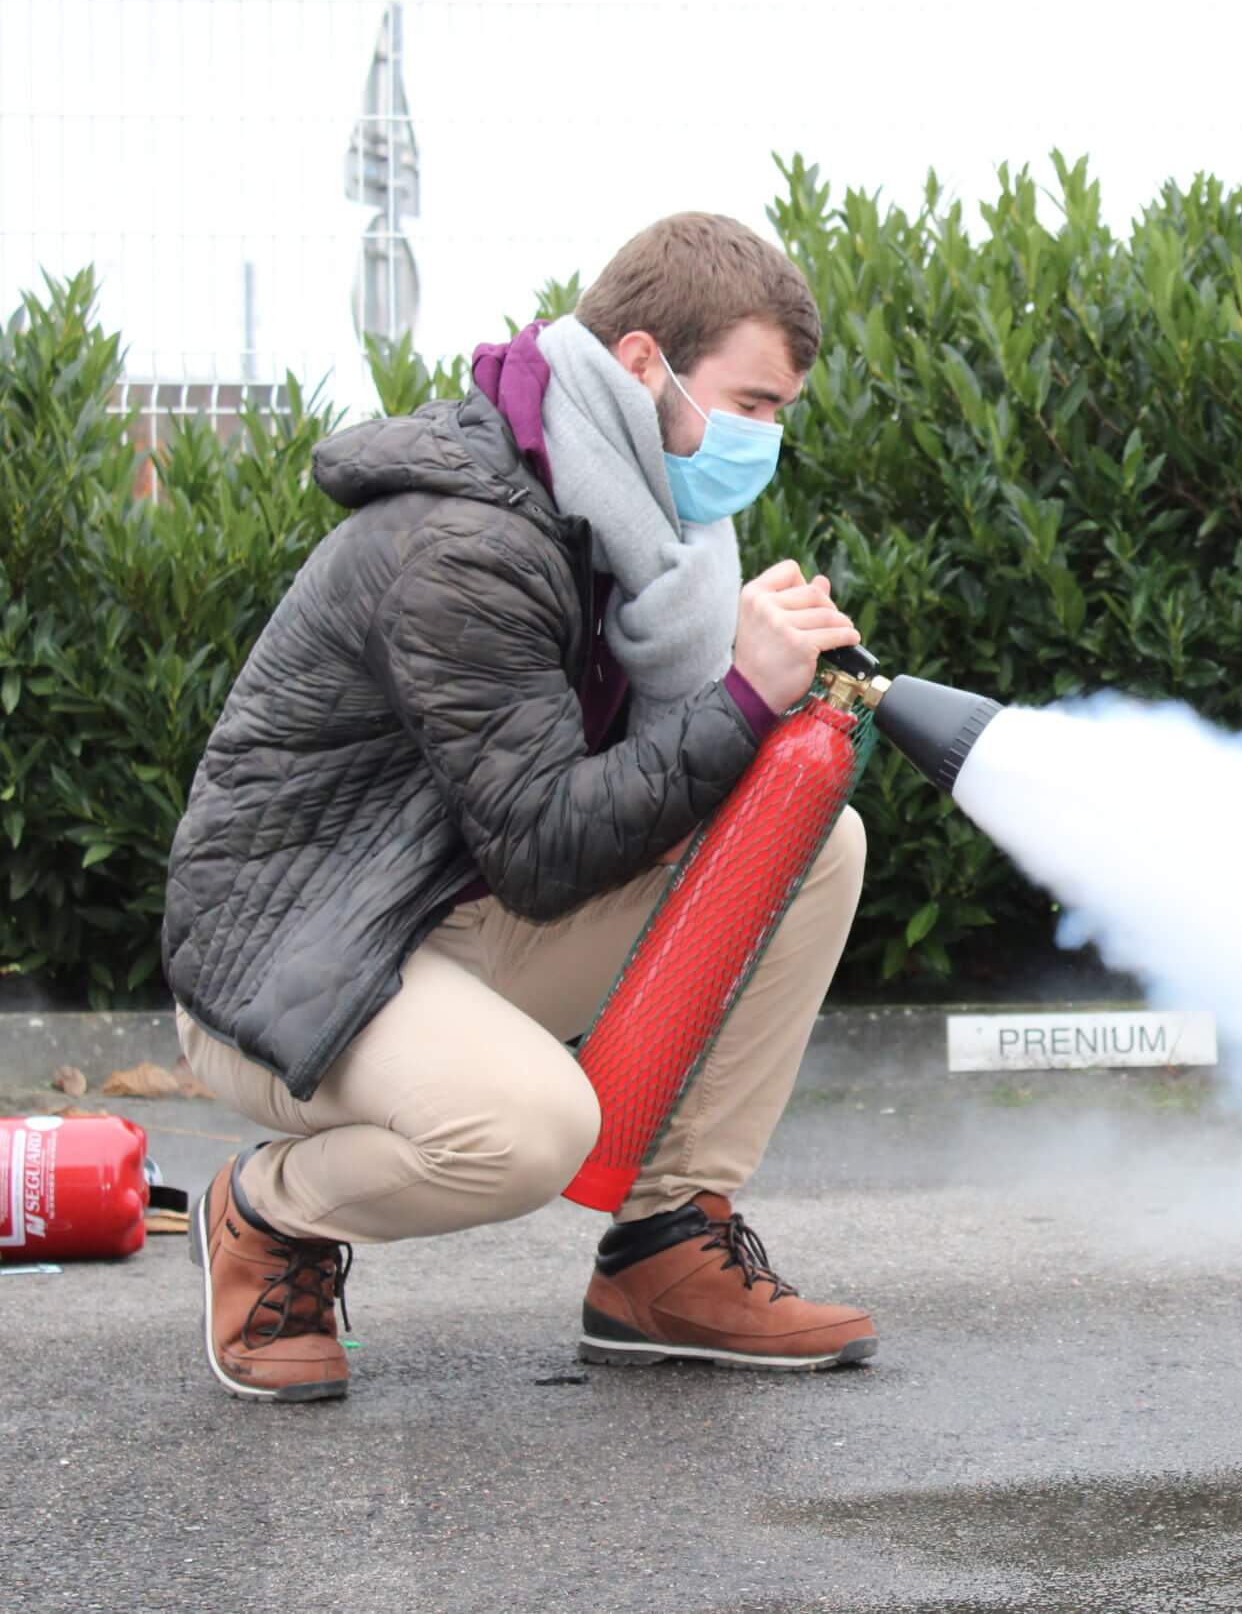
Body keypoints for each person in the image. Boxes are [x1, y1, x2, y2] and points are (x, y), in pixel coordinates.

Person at [161, 212, 876, 1403]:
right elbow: (548, 845)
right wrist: (746, 698)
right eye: (750, 404)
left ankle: (663, 1250)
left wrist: (765, 720)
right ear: (643, 364)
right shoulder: (468, 545)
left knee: (810, 845)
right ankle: (262, 1213)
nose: (764, 440)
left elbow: (591, 824)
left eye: (780, 413)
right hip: (299, 963)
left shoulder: (644, 532)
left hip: (451, 917)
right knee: (528, 1131)